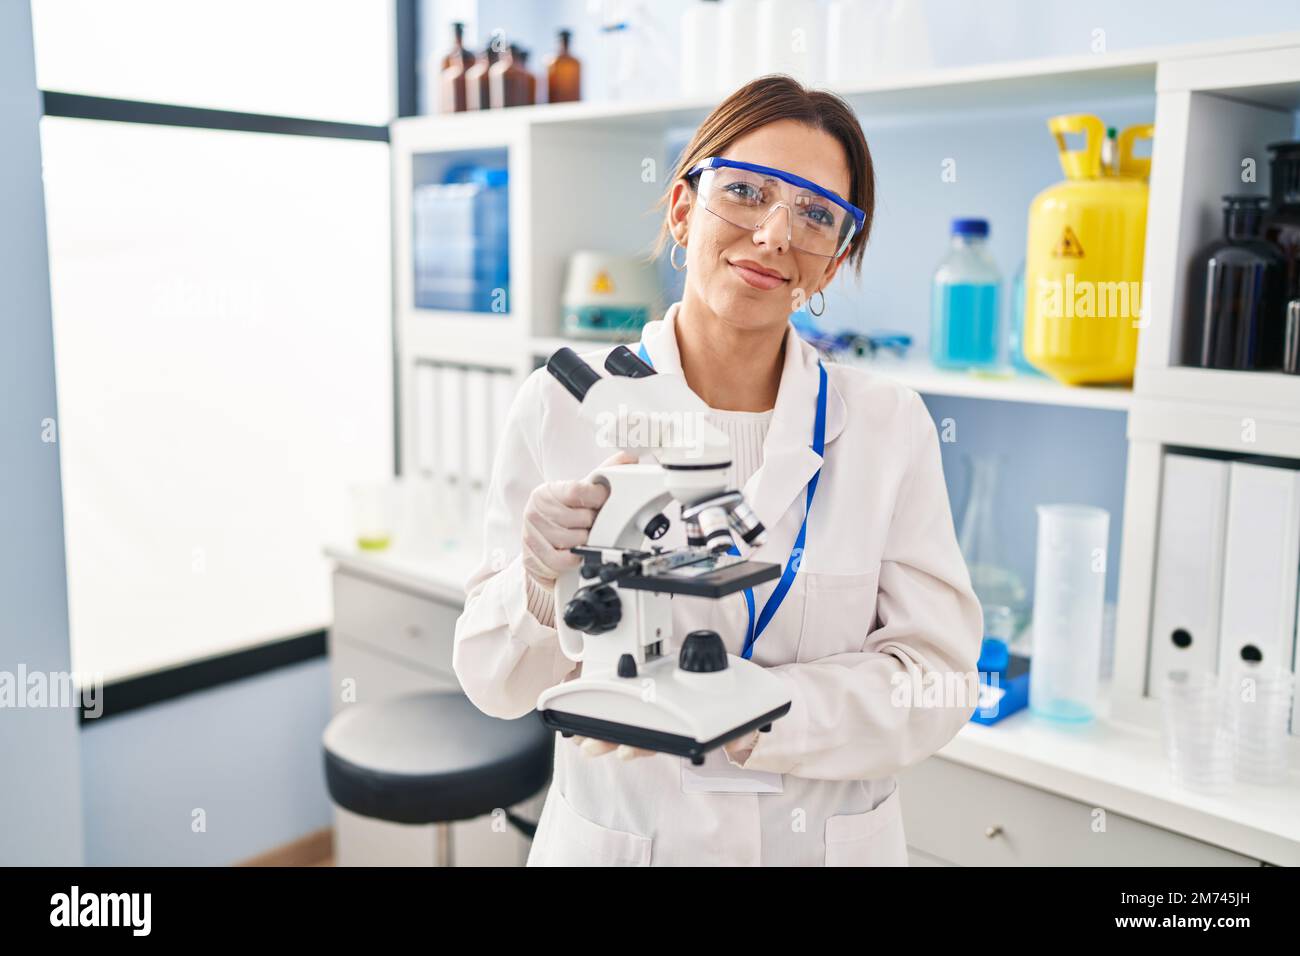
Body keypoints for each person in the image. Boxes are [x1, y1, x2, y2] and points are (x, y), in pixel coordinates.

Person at [454, 75, 983, 866]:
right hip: (625, 843)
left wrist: (756, 714)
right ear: (681, 209)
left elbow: (936, 681)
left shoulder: (886, 425)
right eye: (744, 191)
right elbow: (494, 682)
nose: (774, 235)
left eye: (814, 214)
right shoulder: (565, 405)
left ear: (832, 262)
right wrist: (539, 585)